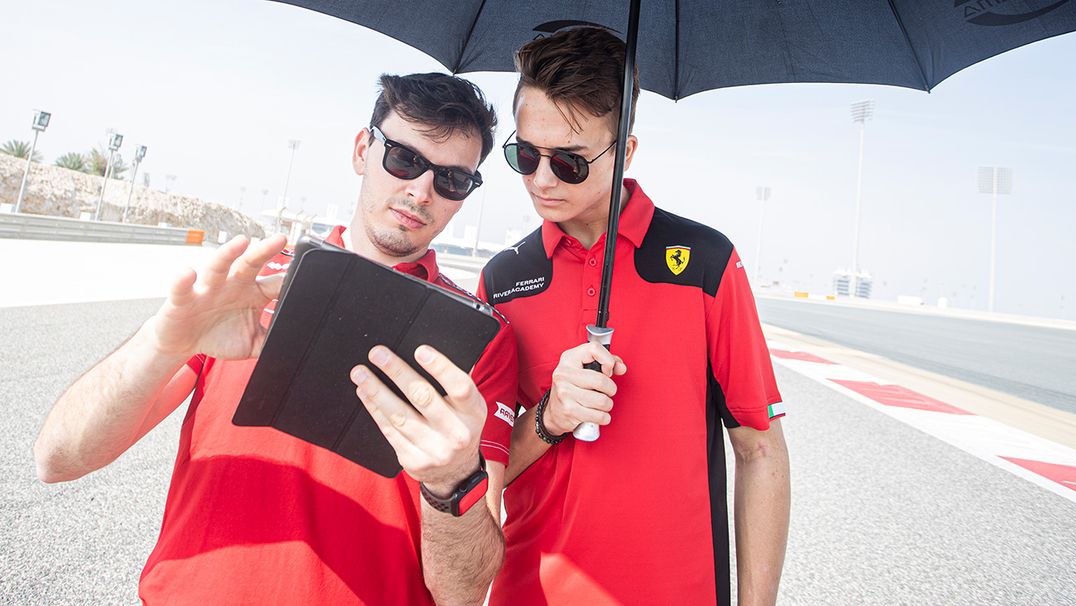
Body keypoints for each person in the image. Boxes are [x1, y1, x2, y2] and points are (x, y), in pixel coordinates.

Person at [34, 72, 515, 606]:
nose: (420, 191)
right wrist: (162, 344)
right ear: (363, 150)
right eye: (404, 159)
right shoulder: (251, 283)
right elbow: (59, 461)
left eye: (451, 180)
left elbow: (464, 593)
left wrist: (452, 480)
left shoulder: (481, 338)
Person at [478, 28, 791, 605]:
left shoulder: (705, 262)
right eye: (525, 154)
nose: (541, 179)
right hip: (531, 592)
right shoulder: (503, 279)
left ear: (625, 150)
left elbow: (760, 450)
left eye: (569, 162)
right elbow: (484, 468)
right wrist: (550, 414)